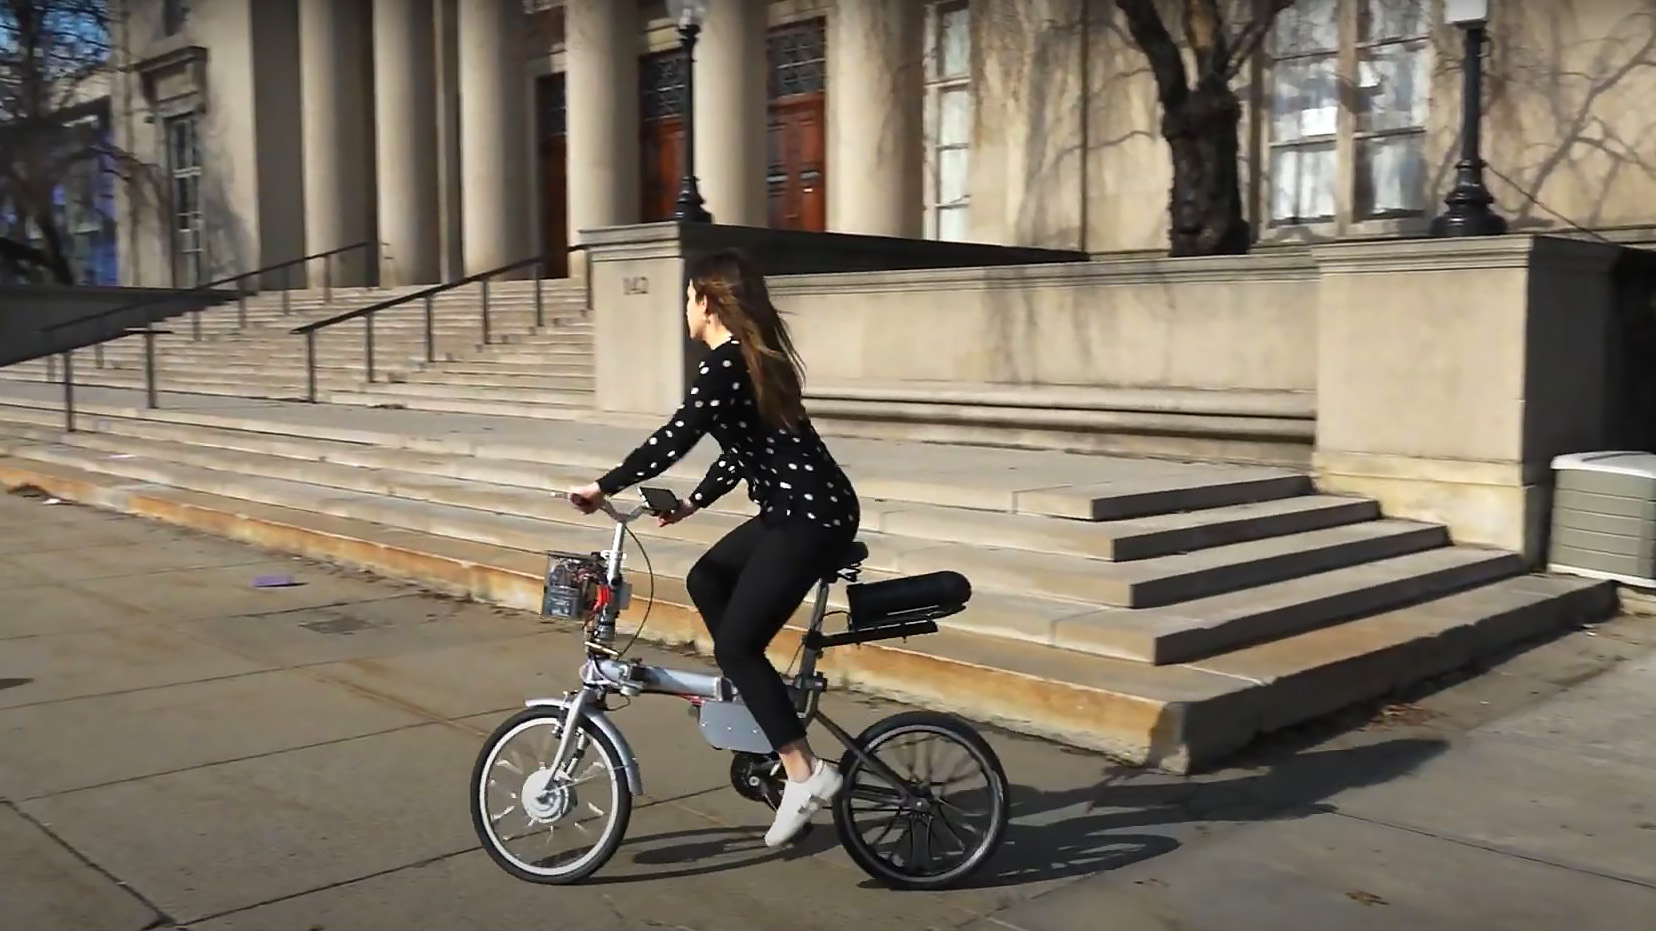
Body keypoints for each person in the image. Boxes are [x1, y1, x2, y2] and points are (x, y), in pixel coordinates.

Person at [568, 248, 860, 847]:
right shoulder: (747, 363)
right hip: (800, 510)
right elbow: (739, 450)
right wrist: (693, 504)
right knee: (707, 578)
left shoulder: (726, 364)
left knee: (736, 644)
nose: (684, 309)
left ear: (706, 300)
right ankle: (761, 699)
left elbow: (677, 434)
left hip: (809, 519)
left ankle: (803, 771)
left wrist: (605, 486)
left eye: (687, 298)